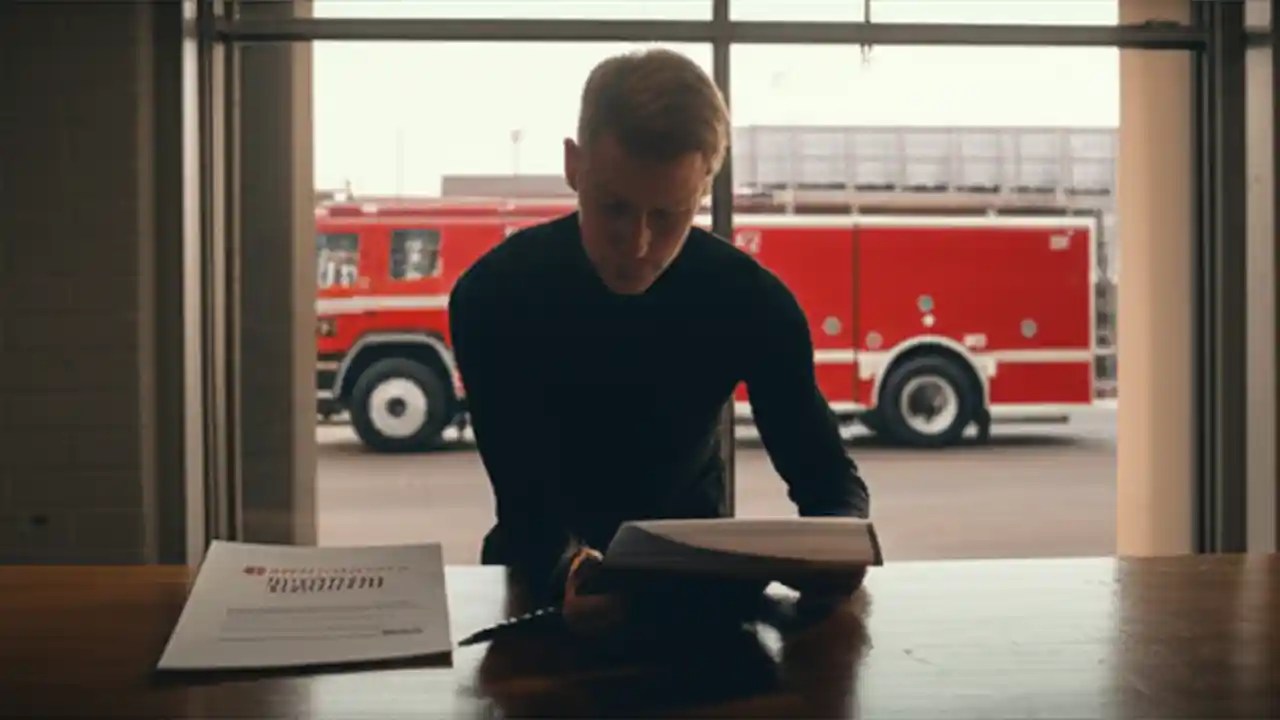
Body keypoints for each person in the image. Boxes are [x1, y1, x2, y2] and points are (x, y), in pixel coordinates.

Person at [448, 48, 871, 630]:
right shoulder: (492, 296)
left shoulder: (754, 301)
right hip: (540, 591)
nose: (638, 243)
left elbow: (826, 479)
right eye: (613, 207)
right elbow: (525, 502)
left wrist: (836, 552)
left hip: (703, 595)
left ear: (705, 188)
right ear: (573, 166)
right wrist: (566, 571)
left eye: (669, 216)